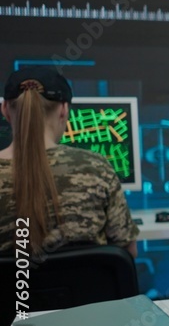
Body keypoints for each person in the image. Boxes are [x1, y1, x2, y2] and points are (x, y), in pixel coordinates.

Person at [0, 67, 139, 257]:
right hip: (88, 287)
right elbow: (127, 251)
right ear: (64, 109)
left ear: (5, 109)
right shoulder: (97, 168)